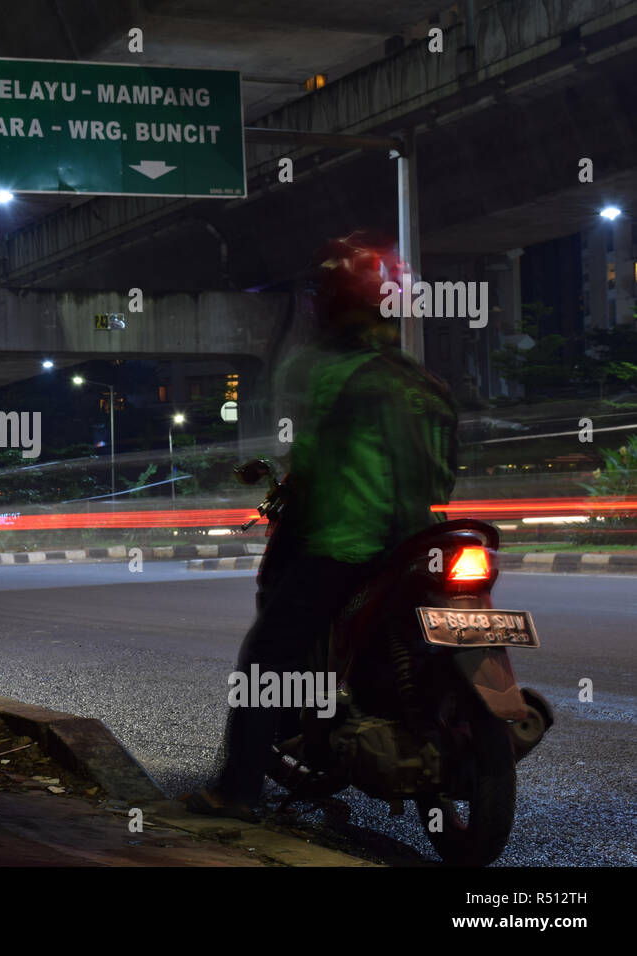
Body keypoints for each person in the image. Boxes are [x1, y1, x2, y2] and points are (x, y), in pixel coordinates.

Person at [182, 232, 460, 821]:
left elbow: (307, 462)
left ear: (330, 301)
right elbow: (442, 478)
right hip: (416, 545)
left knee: (264, 657)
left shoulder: (322, 370)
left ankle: (235, 791)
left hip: (344, 547)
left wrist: (291, 488)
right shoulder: (422, 383)